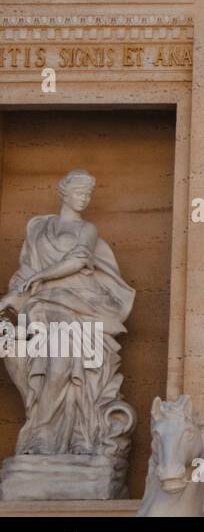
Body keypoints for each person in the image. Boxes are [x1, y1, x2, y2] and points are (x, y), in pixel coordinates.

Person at [0, 169, 134, 457]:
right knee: (25, 353)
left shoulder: (86, 230)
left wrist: (44, 276)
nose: (84, 198)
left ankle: (66, 433)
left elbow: (79, 259)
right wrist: (12, 296)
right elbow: (26, 271)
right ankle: (41, 432)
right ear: (63, 192)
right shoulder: (37, 228)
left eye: (88, 194)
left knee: (64, 366)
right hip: (42, 307)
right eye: (78, 192)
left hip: (80, 305)